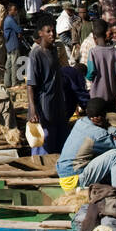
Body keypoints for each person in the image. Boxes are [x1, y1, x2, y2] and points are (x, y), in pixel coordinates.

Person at [55, 97, 116, 195]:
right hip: (75, 180)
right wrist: (110, 127)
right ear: (101, 116)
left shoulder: (81, 122)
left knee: (104, 154)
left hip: (65, 177)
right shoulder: (99, 134)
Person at [26, 22, 70, 156]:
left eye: (53, 31)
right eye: (48, 31)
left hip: (57, 103)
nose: (52, 34)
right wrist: (33, 109)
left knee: (58, 138)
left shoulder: (54, 51)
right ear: (41, 33)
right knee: (43, 140)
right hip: (44, 105)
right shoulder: (35, 55)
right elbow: (30, 85)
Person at [82, 18, 116, 107]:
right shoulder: (114, 51)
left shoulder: (93, 52)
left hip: (98, 92)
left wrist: (88, 78)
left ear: (94, 36)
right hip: (112, 91)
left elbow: (91, 72)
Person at [2, 3, 23, 87]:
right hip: (13, 44)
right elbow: (18, 29)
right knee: (15, 64)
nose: (16, 11)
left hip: (9, 45)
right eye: (15, 10)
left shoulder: (7, 19)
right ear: (10, 10)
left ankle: (7, 82)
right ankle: (15, 82)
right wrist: (20, 31)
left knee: (9, 64)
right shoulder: (10, 20)